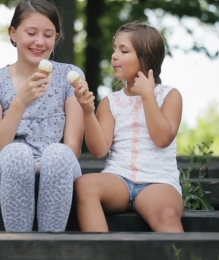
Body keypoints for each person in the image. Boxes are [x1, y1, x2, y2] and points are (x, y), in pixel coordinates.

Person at [0, 0, 84, 232]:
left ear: (55, 37)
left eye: (48, 35)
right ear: (13, 34)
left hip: (59, 173)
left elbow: (72, 149)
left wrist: (42, 165)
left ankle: (50, 247)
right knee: (16, 153)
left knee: (58, 153)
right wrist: (20, 102)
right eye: (31, 33)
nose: (39, 42)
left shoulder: (70, 76)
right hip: (6, 176)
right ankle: (19, 249)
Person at [72, 21, 185, 233]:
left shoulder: (169, 96)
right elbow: (99, 151)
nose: (114, 55)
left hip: (158, 182)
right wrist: (88, 111)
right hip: (118, 179)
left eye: (124, 51)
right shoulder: (111, 101)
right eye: (114, 49)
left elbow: (162, 139)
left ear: (145, 57)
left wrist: (148, 96)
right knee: (84, 185)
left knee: (167, 215)